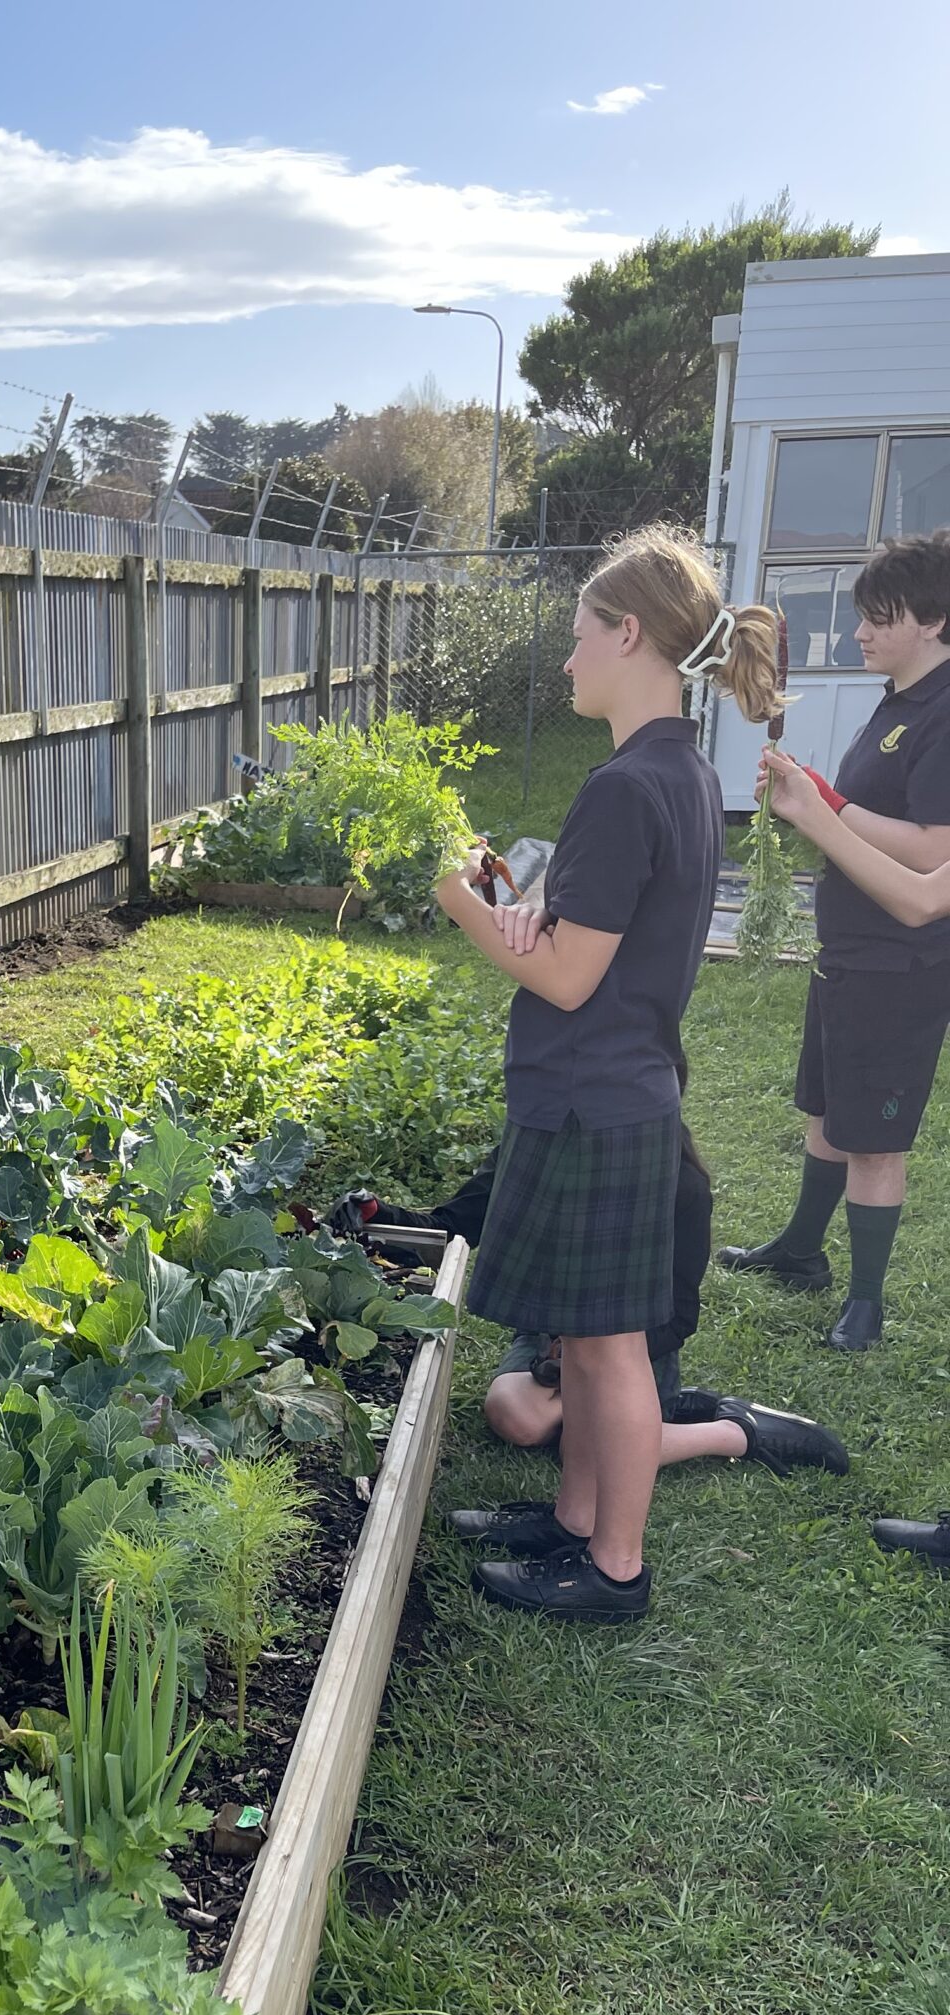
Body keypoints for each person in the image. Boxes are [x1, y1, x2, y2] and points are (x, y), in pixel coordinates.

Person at [432, 527, 782, 1622]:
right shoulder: (679, 774)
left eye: (581, 637)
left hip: (595, 1097)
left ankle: (614, 1567)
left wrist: (464, 906)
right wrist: (534, 909)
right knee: (585, 1335)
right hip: (617, 1090)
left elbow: (574, 979)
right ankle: (576, 1519)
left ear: (630, 633)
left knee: (612, 1347)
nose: (571, 660)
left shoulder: (626, 787)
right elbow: (599, 935)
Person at [717, 530, 950, 1352]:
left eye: (877, 618)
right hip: (849, 951)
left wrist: (828, 809)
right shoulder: (898, 702)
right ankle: (802, 1251)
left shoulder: (945, 711)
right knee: (825, 1108)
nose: (859, 634)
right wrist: (811, 792)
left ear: (933, 619)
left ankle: (866, 1304)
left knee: (874, 1137)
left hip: (903, 965)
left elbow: (931, 850)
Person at [447, 1123, 848, 1511]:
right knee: (515, 1415)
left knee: (588, 1450)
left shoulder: (680, 1184)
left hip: (632, 1342)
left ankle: (736, 1432)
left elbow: (678, 1317)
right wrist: (384, 1212)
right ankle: (655, 1413)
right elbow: (453, 1223)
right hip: (550, 1335)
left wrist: (587, 1350)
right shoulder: (538, 1143)